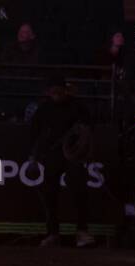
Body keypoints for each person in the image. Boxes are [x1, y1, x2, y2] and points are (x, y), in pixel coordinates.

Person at [30, 75, 94, 248]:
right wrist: (34, 157)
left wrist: (81, 147)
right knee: (49, 192)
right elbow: (34, 131)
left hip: (74, 155)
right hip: (52, 155)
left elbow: (88, 128)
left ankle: (82, 231)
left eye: (59, 90)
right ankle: (53, 233)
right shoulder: (44, 108)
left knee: (79, 190)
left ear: (65, 90)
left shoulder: (78, 106)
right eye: (52, 91)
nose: (55, 94)